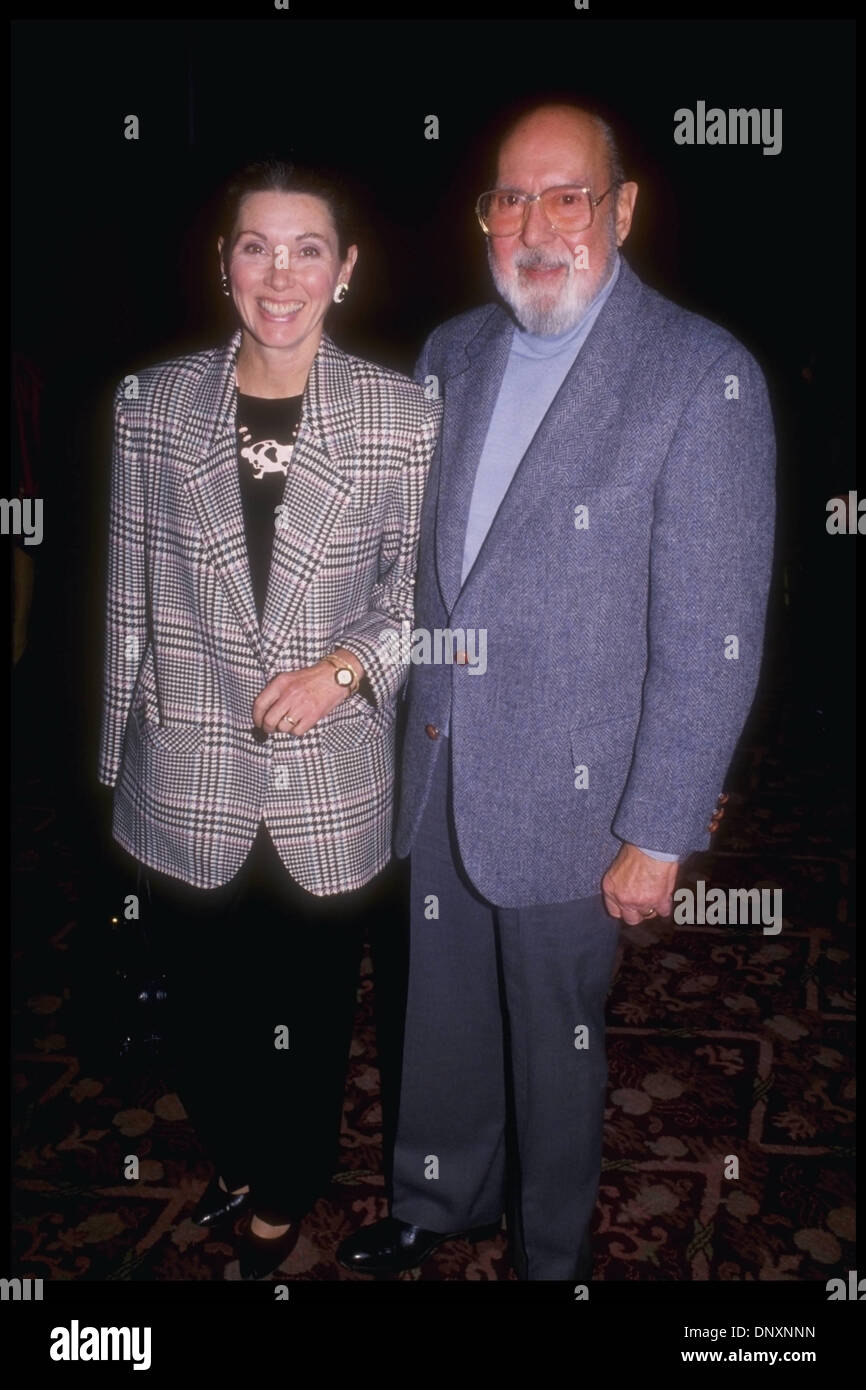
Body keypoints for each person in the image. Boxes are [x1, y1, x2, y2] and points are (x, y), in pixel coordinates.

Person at [338, 102, 776, 1280]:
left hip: (579, 798)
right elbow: (413, 567)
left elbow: (711, 635)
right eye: (509, 197)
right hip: (438, 759)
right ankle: (437, 1195)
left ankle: (546, 1249)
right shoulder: (450, 353)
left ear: (620, 210)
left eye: (566, 194)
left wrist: (661, 825)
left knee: (554, 1041)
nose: (534, 224)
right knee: (439, 1016)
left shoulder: (699, 377)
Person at [98, 157, 441, 1279]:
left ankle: (280, 1190)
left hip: (329, 780)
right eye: (255, 245)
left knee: (302, 1018)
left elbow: (420, 594)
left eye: (306, 249)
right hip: (185, 766)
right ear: (223, 262)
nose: (278, 273)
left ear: (344, 271)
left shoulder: (399, 417)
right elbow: (126, 591)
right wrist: (116, 755)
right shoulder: (149, 408)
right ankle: (242, 1153)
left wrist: (347, 665)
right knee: (202, 1022)